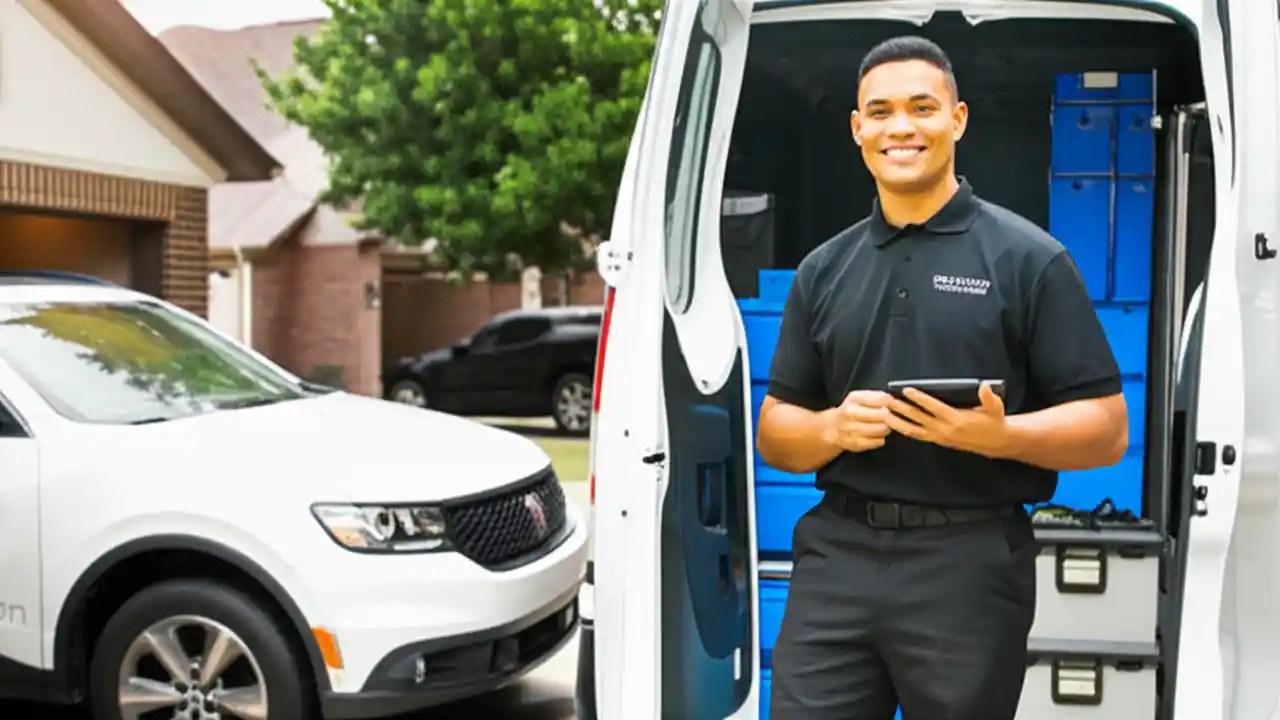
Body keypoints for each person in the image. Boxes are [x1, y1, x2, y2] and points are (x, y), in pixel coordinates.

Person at [756, 35, 1129, 720]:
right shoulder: (822, 271)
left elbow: (1105, 429)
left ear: (957, 119)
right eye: (881, 111)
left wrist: (998, 436)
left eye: (922, 108)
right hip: (836, 554)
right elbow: (777, 433)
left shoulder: (1030, 260)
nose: (901, 127)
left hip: (970, 561)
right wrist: (832, 427)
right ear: (858, 130)